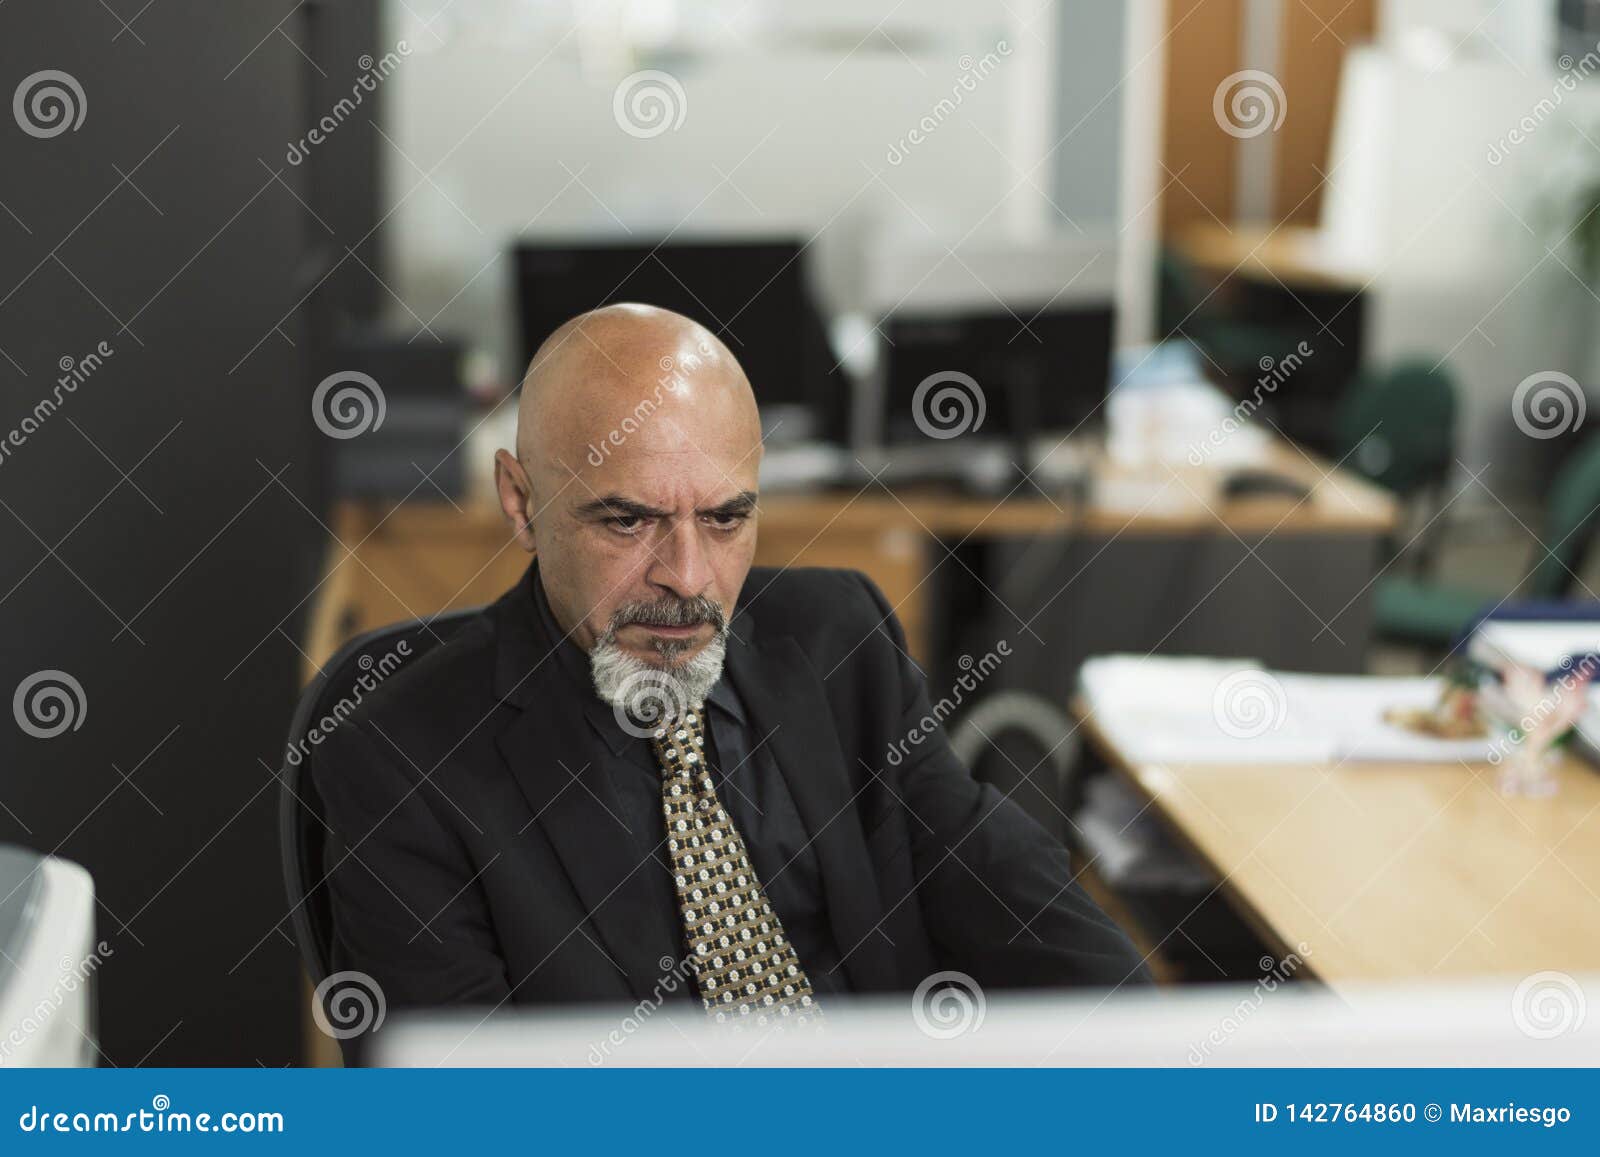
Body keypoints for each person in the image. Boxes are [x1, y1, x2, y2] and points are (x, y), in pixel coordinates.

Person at [313, 303, 1147, 1028]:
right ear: (523, 502)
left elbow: (1023, 907)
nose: (687, 576)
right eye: (627, 521)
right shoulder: (400, 759)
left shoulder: (837, 641)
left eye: (724, 519)